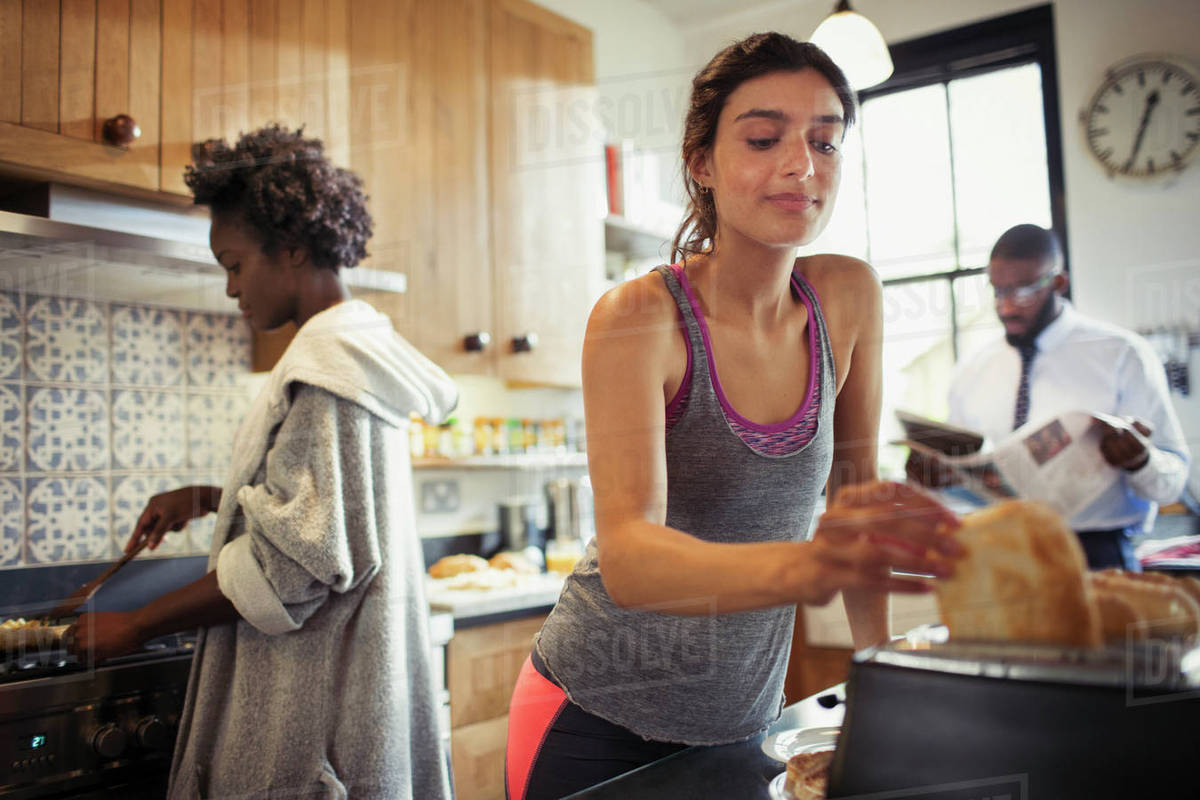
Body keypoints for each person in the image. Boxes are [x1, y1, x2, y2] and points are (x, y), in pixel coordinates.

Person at [504, 34, 963, 800]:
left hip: (742, 721)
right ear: (701, 161)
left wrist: (885, 682)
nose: (802, 165)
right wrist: (812, 564)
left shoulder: (847, 297)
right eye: (763, 138)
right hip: (590, 718)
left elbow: (855, 500)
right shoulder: (640, 317)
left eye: (825, 141)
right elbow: (633, 554)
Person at [67, 125, 458, 800]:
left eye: (234, 264)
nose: (229, 289)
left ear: (293, 248)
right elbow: (334, 511)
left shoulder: (325, 369)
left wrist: (133, 624)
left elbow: (295, 565)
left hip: (316, 735)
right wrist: (218, 498)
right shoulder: (355, 352)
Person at [911, 223, 1190, 571]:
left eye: (1022, 291)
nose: (1007, 307)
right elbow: (965, 483)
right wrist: (935, 479)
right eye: (998, 291)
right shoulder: (972, 370)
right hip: (999, 555)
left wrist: (1140, 461)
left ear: (1058, 282)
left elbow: (1173, 483)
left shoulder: (1123, 354)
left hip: (1096, 556)